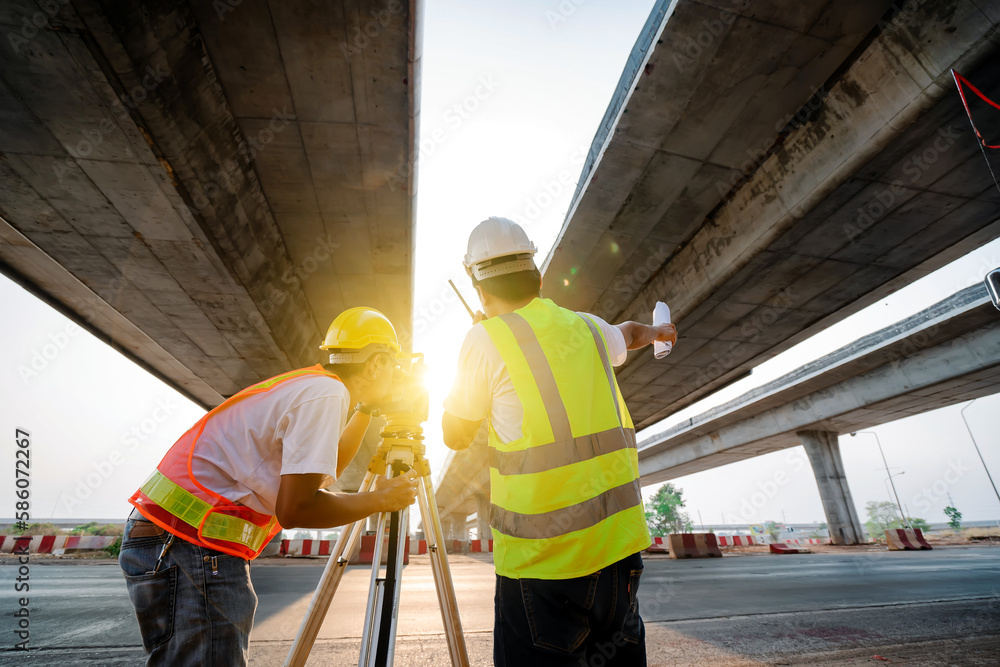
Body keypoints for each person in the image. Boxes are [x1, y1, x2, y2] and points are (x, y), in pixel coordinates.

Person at [119, 307, 419, 666]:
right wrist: (380, 500)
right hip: (189, 548)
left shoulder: (316, 387)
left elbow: (324, 469)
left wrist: (368, 409)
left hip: (174, 542)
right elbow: (296, 510)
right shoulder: (326, 394)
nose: (399, 376)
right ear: (376, 364)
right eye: (394, 365)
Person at [442, 217, 678, 666]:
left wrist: (479, 349)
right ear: (538, 274)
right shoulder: (587, 328)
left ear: (477, 286)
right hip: (620, 557)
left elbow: (455, 433)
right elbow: (626, 333)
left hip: (542, 567)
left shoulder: (483, 340)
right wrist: (657, 333)